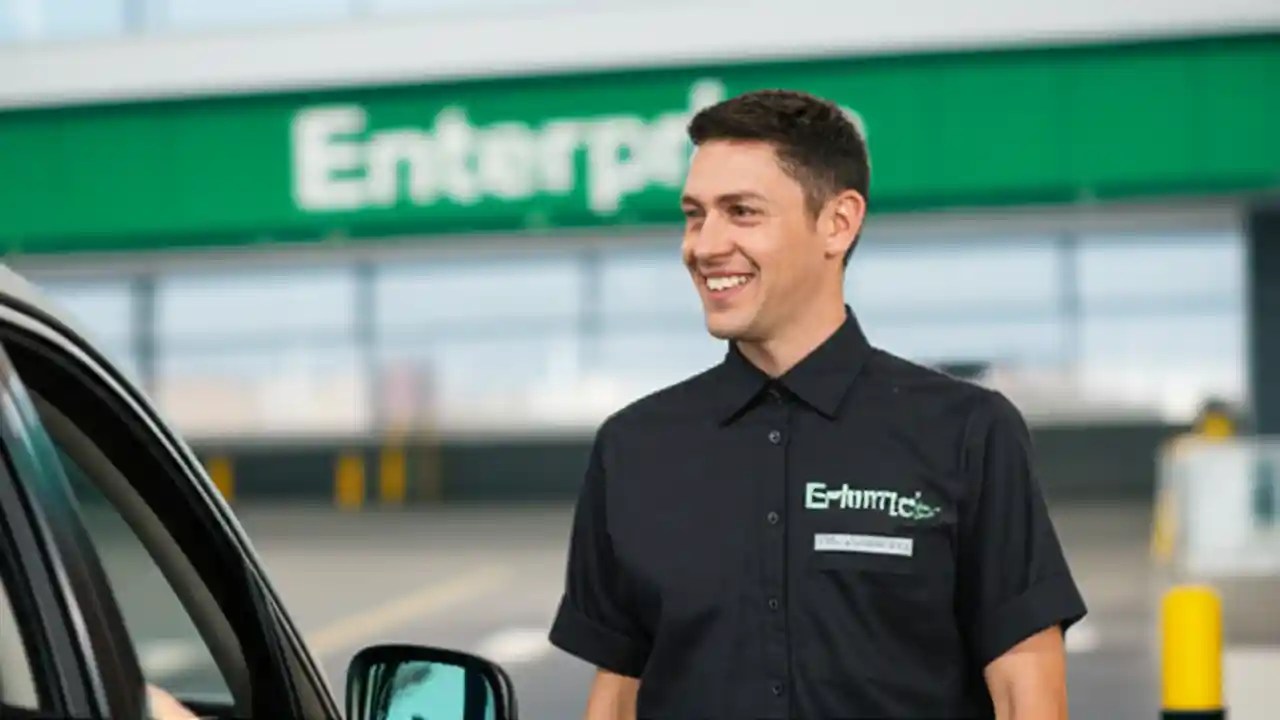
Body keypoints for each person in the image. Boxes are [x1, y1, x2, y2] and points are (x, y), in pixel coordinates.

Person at [548, 88, 1087, 719]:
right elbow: (616, 695)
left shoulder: (968, 433)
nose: (704, 245)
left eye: (741, 212)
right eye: (695, 215)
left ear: (838, 223)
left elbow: (1028, 692)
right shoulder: (632, 448)